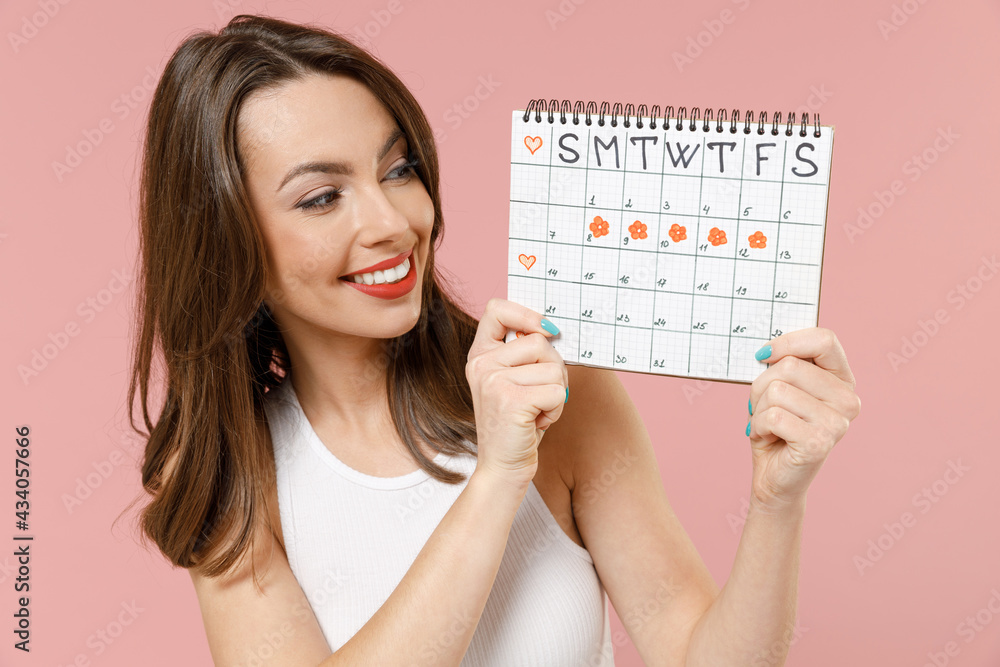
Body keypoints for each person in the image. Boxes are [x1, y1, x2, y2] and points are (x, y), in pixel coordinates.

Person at [127, 13, 861, 667]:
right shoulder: (231, 475)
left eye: (399, 168)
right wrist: (496, 478)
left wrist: (776, 501)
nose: (391, 219)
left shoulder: (559, 389)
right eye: (322, 197)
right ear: (226, 243)